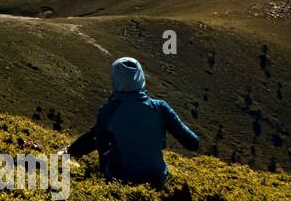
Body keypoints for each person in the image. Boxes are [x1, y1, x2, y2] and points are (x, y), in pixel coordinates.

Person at [66, 56, 199, 189]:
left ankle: (70, 153)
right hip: (157, 179)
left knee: (102, 134)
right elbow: (193, 144)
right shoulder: (160, 107)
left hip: (120, 178)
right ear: (141, 77)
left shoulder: (108, 110)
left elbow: (99, 142)